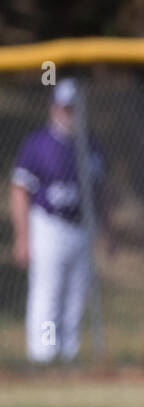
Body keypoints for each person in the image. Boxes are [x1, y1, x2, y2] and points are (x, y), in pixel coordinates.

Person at [9, 78, 104, 363]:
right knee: (48, 293)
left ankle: (68, 356)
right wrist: (22, 237)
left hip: (81, 228)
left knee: (75, 298)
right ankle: (44, 356)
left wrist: (107, 232)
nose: (69, 114)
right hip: (48, 225)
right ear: (54, 108)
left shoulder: (90, 146)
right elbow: (19, 190)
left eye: (74, 108)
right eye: (65, 108)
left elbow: (104, 191)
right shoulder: (38, 144)